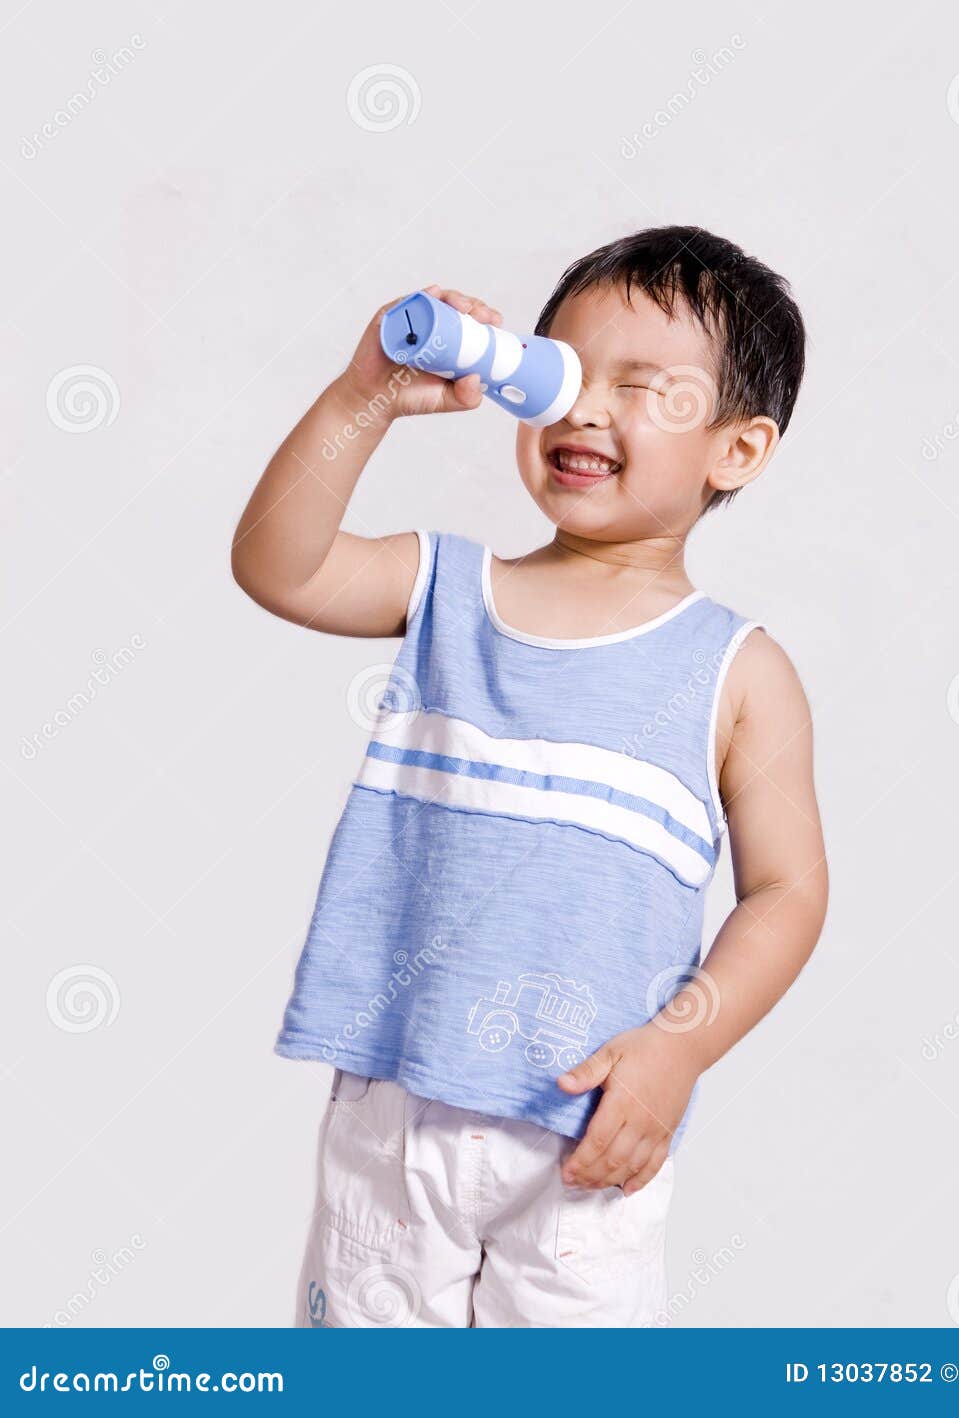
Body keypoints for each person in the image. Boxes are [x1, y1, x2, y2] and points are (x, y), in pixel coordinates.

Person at [231, 224, 828, 1328]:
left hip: (587, 1127)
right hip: (397, 1107)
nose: (583, 409)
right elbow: (280, 560)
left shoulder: (736, 673)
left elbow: (786, 893)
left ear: (735, 450)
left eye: (642, 389)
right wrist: (363, 395)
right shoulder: (446, 592)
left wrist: (679, 1043)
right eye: (565, 372)